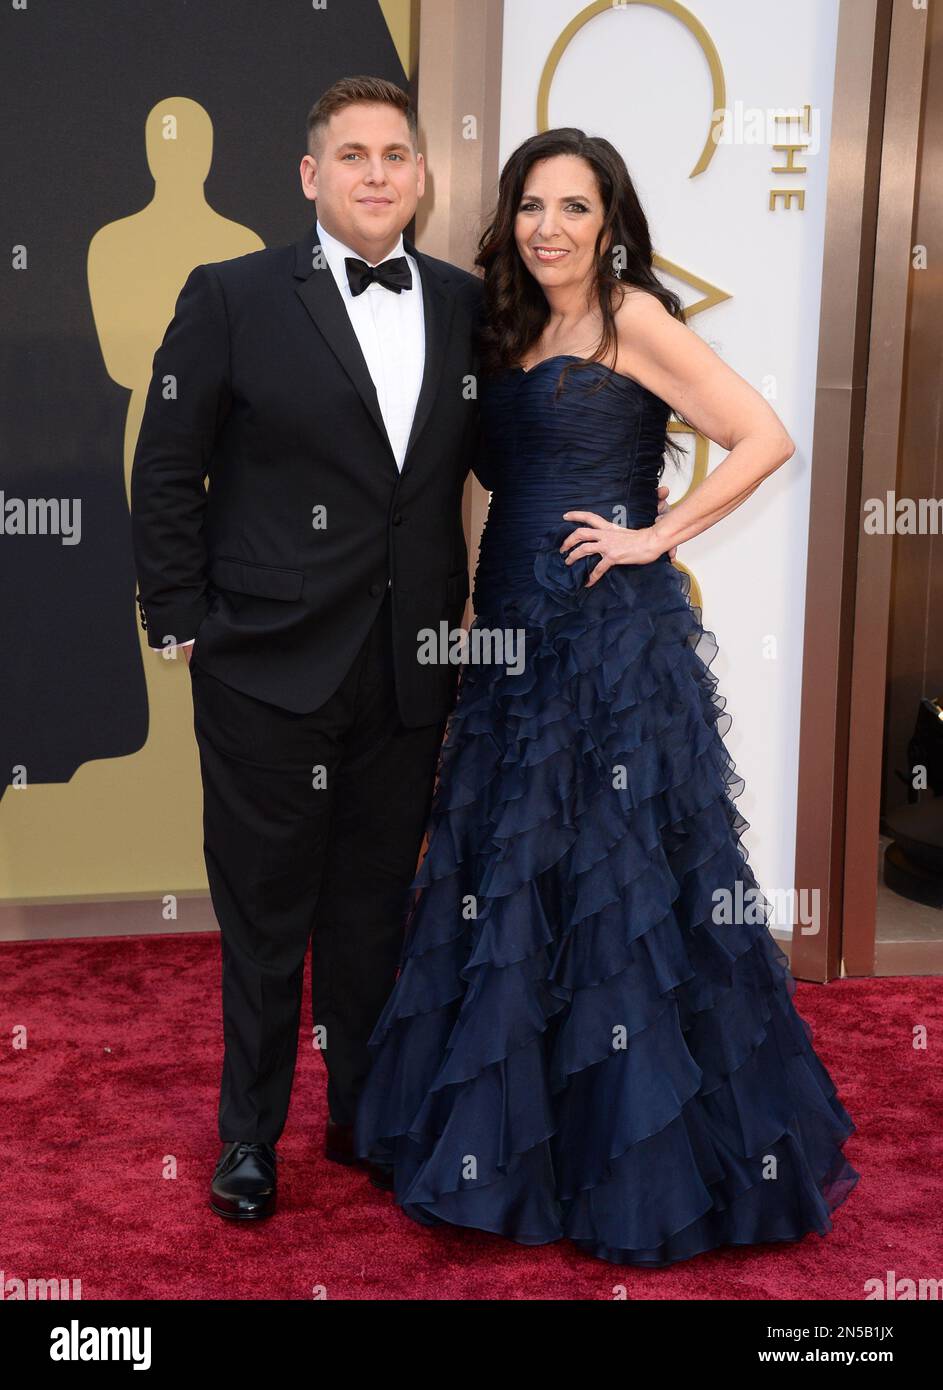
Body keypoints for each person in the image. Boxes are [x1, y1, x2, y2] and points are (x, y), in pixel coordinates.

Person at [354, 127, 860, 1267]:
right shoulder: (505, 325)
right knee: (512, 882)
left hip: (611, 640)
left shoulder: (633, 316)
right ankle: (510, 1139)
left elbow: (763, 434)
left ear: (610, 220)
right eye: (530, 207)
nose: (548, 229)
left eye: (573, 209)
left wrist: (654, 537)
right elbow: (491, 484)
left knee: (619, 883)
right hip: (514, 639)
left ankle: (635, 1151)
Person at [130, 77, 485, 1219]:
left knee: (373, 914)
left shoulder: (464, 304)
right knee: (265, 922)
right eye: (352, 155)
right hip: (266, 665)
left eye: (395, 154)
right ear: (310, 176)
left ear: (421, 176)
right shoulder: (232, 296)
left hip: (406, 666)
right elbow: (167, 463)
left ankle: (362, 1117)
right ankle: (248, 1138)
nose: (376, 172)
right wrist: (179, 615)